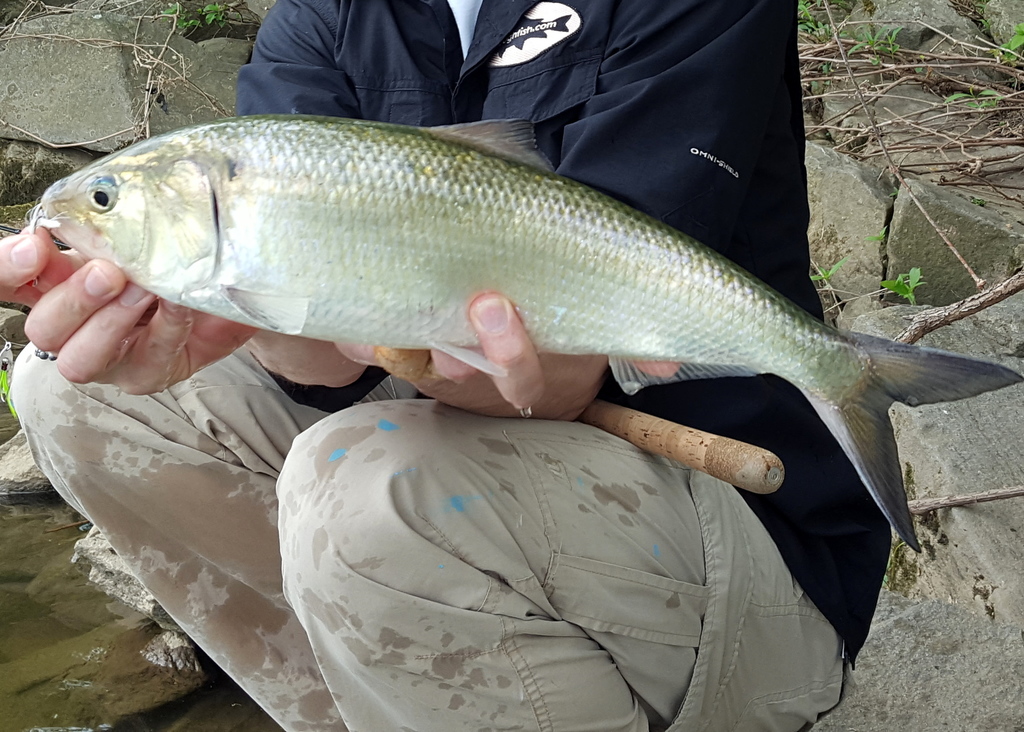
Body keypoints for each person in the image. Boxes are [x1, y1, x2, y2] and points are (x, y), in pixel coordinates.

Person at [2, 1, 892, 729]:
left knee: (358, 482)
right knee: (65, 390)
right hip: (491, 446)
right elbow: (318, 357)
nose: (89, 212)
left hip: (734, 537)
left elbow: (562, 373)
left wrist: (452, 351)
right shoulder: (321, 16)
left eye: (105, 198)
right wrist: (227, 318)